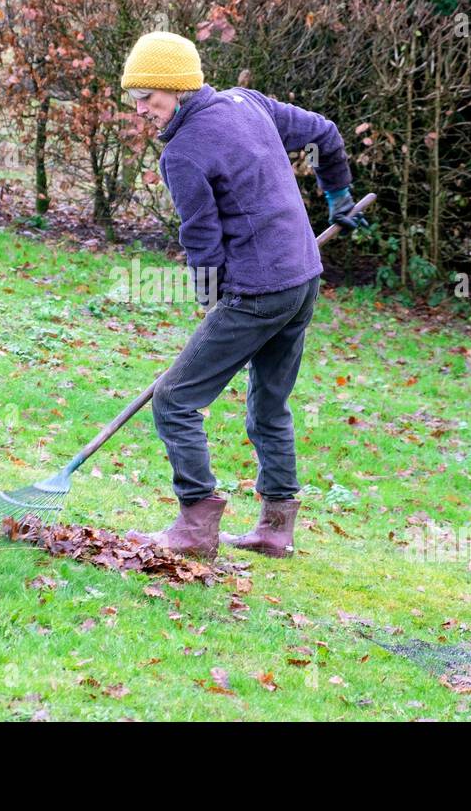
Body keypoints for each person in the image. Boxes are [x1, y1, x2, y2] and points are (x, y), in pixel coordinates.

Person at [119, 31, 366, 560]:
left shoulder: (183, 152)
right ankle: (276, 528)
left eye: (148, 97)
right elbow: (325, 133)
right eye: (134, 98)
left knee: (175, 399)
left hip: (257, 292)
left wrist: (211, 301)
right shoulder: (246, 102)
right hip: (302, 279)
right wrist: (338, 194)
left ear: (177, 88)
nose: (140, 110)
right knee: (269, 403)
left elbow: (201, 238)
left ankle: (195, 526)